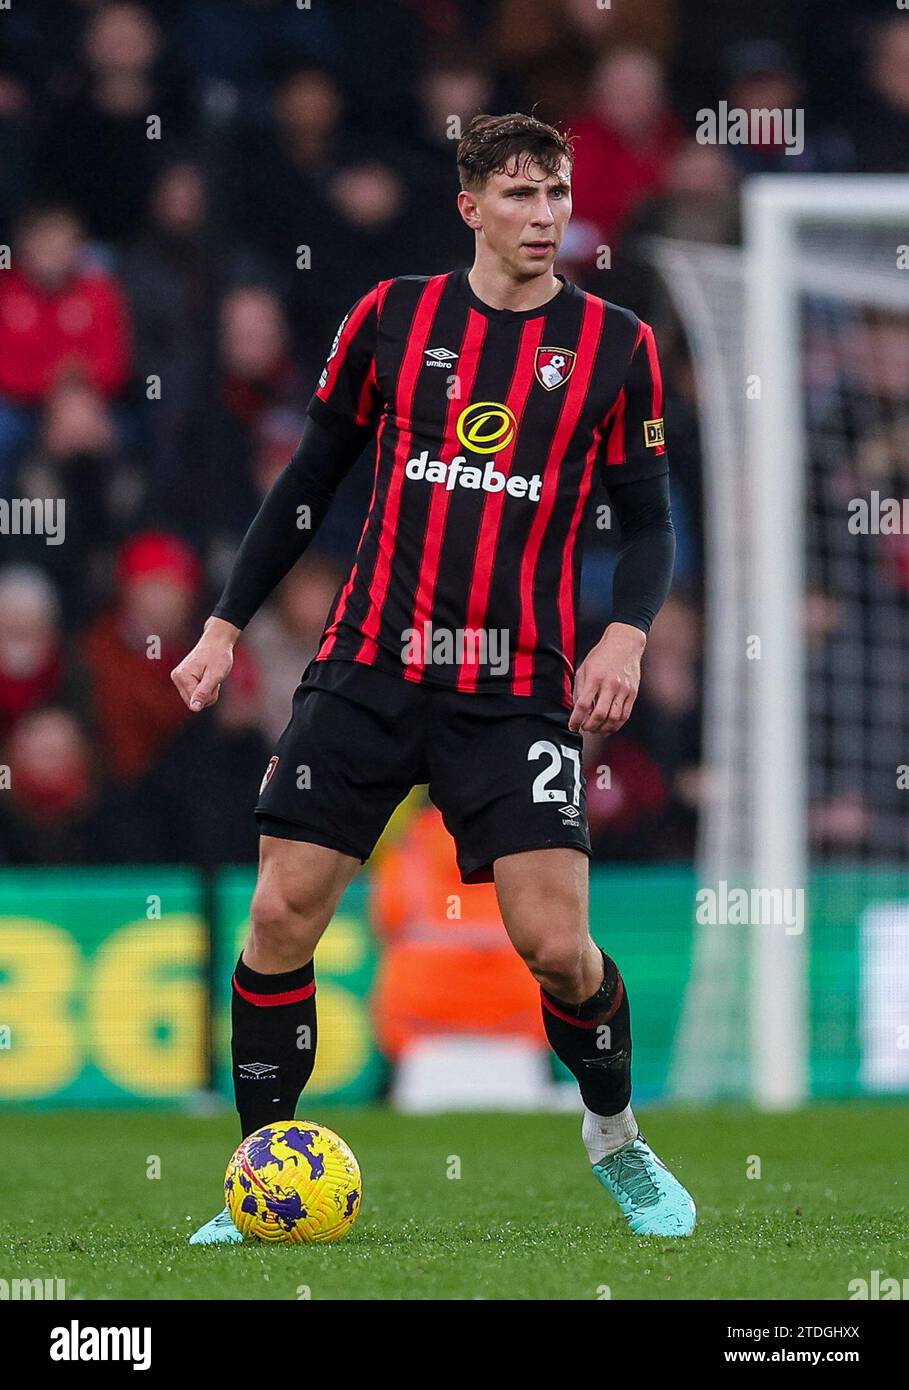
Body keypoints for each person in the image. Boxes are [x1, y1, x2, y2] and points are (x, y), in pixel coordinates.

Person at [172, 111, 695, 1244]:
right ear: (470, 206)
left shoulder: (616, 345)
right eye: (517, 196)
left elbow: (650, 521)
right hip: (368, 661)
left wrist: (629, 632)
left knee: (556, 943)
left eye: (555, 194)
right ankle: (259, 1170)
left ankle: (617, 1139)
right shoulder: (390, 319)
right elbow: (309, 480)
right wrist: (224, 624)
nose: (544, 216)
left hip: (516, 682)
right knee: (279, 914)